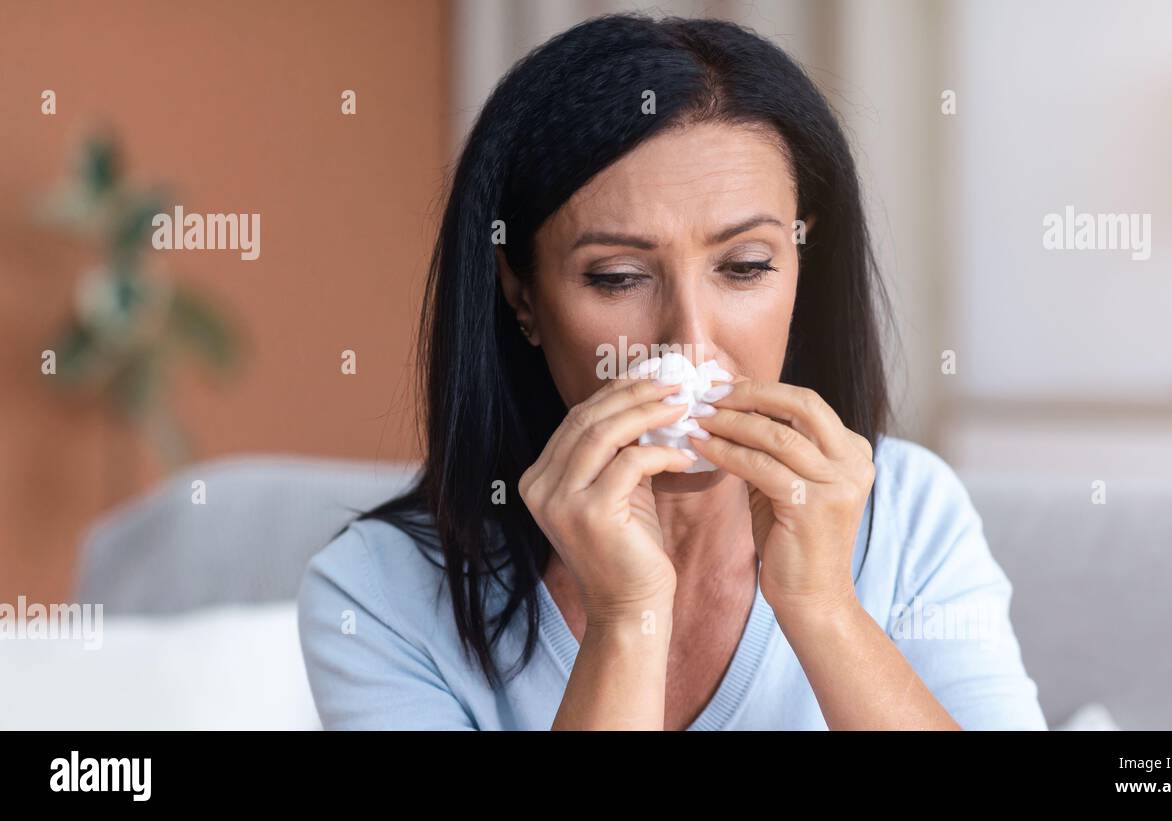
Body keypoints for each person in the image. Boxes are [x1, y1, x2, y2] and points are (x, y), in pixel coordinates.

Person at [297, 13, 1047, 731]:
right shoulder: (377, 592)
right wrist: (627, 620)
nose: (688, 343)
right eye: (618, 277)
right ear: (521, 294)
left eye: (746, 266)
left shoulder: (910, 518)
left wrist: (821, 605)